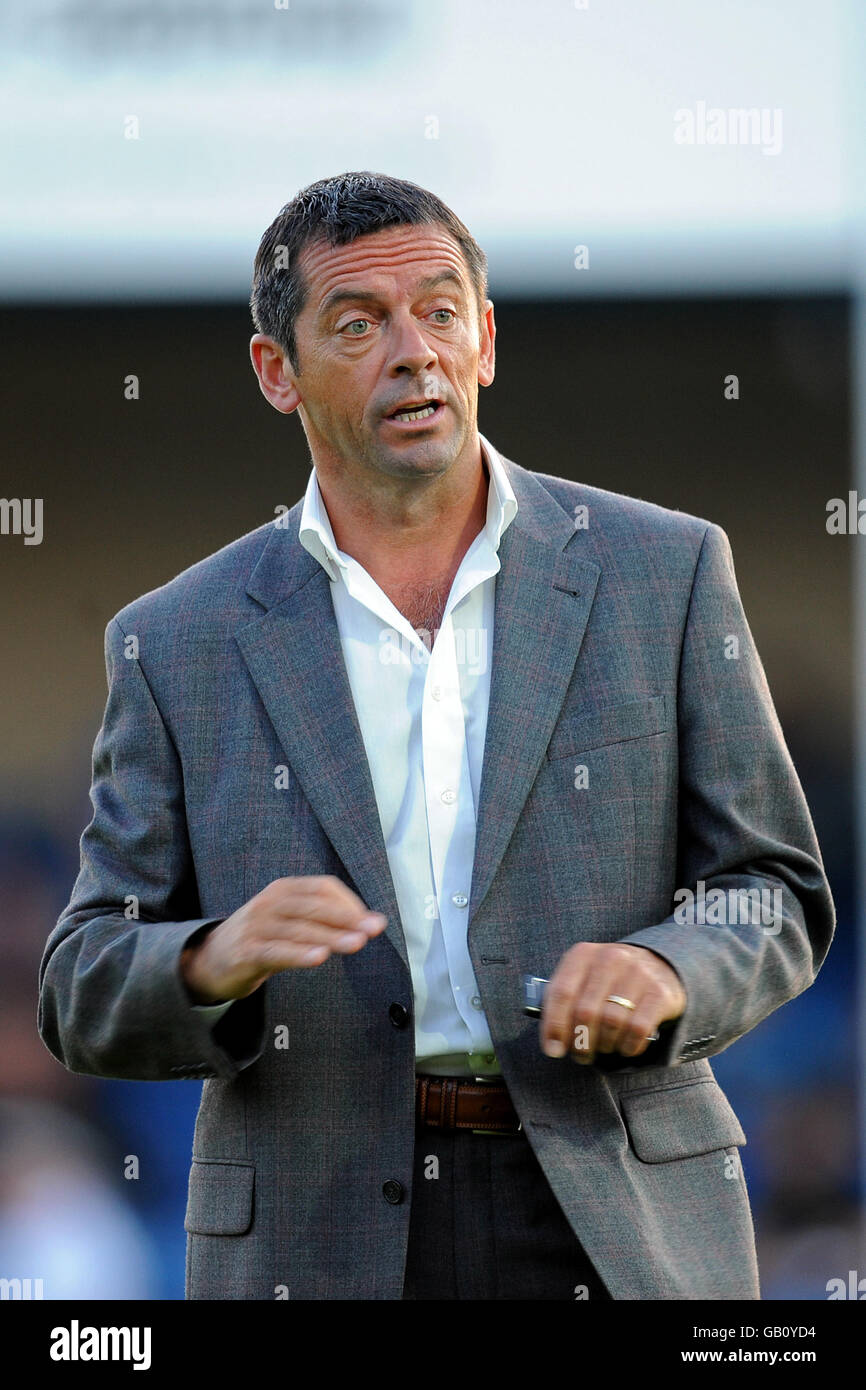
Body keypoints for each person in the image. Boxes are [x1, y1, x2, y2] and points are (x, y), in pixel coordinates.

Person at [38, 171, 835, 1301]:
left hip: (617, 1215)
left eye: (441, 310)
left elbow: (772, 890)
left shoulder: (665, 572)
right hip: (314, 1240)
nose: (412, 351)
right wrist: (213, 956)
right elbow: (81, 984)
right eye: (358, 324)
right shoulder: (175, 641)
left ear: (487, 341)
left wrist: (666, 966)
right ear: (278, 373)